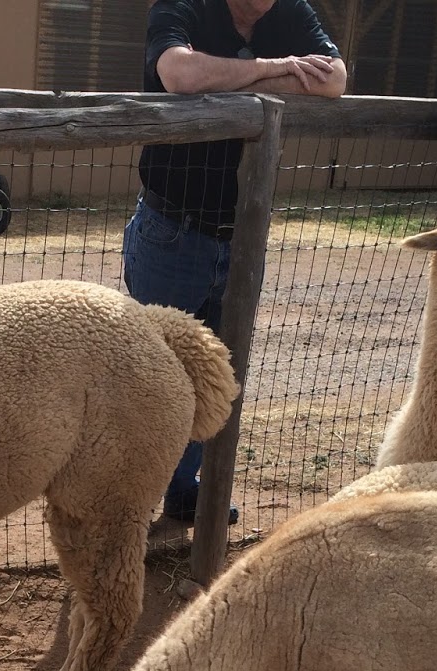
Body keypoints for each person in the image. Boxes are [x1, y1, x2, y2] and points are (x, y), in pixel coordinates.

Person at [124, 0, 346, 525]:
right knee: (152, 374)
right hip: (170, 231)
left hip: (242, 238)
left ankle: (185, 491)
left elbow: (334, 80)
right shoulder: (183, 6)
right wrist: (276, 69)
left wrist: (223, 81)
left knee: (217, 374)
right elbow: (179, 73)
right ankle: (127, 502)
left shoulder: (291, 12)